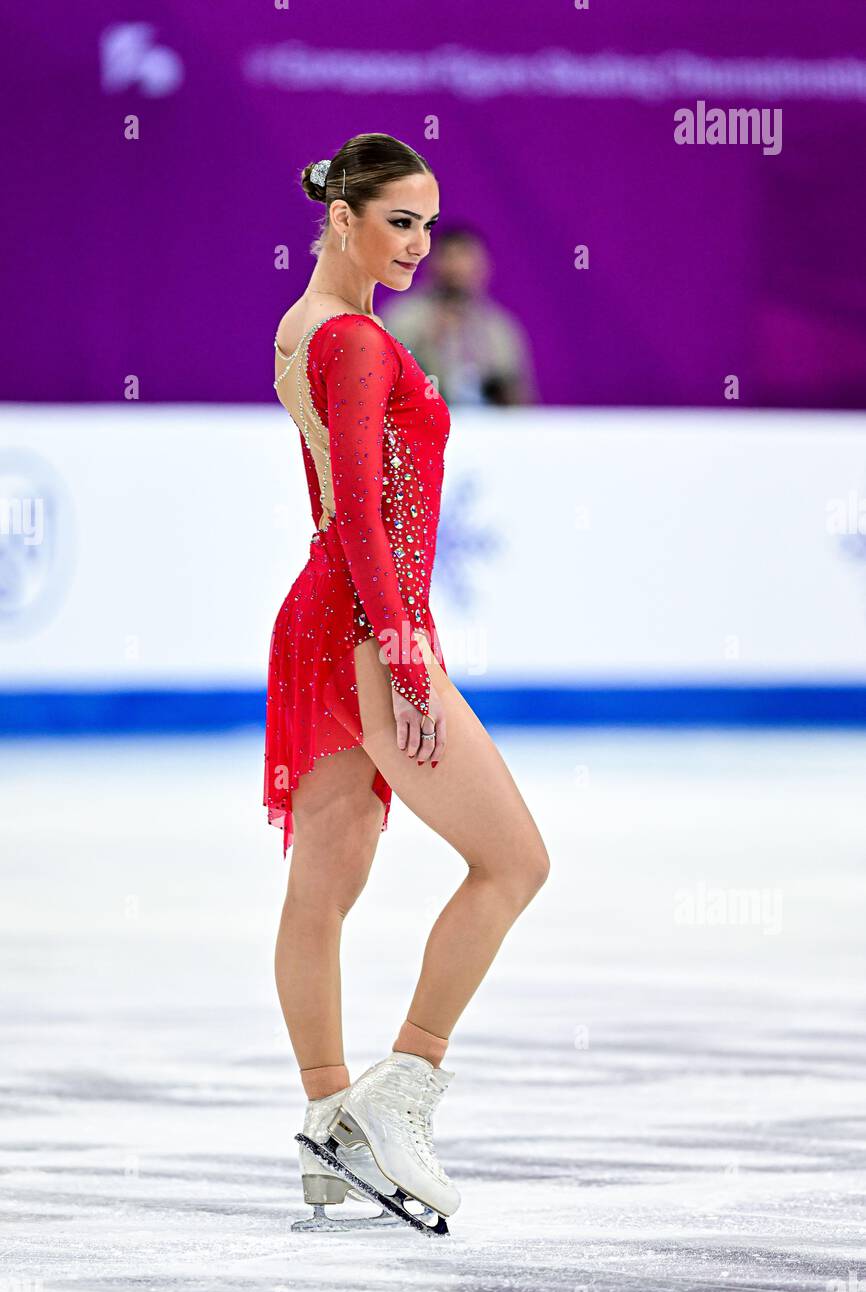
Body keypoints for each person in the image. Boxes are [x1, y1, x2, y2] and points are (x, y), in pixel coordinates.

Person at [266, 132, 549, 1233]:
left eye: (428, 223)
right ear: (343, 217)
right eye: (398, 221)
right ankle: (402, 1091)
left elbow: (341, 510)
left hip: (319, 618)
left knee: (324, 884)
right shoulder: (356, 344)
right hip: (363, 624)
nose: (418, 243)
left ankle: (327, 1118)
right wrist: (400, 646)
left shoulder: (303, 327)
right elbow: (362, 519)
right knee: (515, 860)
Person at [382, 225, 539, 405]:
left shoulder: (498, 328)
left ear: (484, 267)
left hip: (488, 428)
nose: (456, 267)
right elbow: (383, 382)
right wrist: (428, 343)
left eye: (465, 257)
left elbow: (521, 402)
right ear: (430, 264)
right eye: (449, 257)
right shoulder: (405, 316)